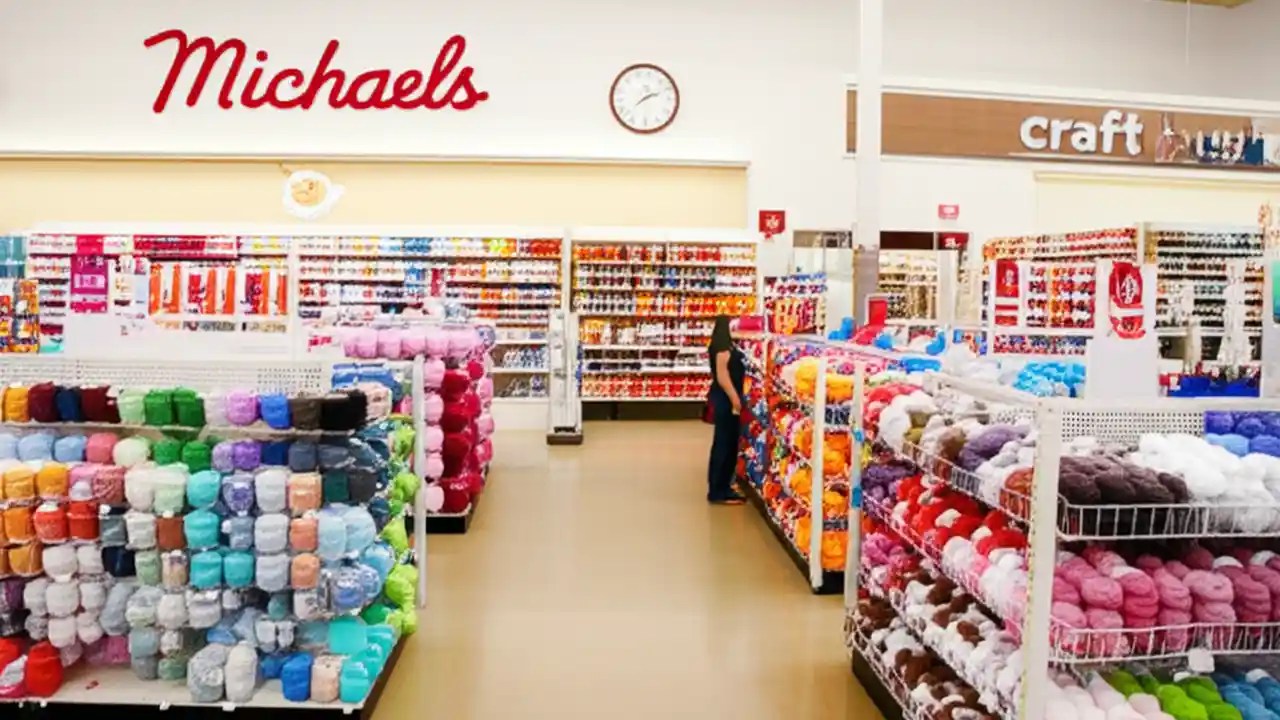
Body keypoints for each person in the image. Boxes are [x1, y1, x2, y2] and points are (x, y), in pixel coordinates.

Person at [706, 315, 746, 505]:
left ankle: (723, 486)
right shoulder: (722, 349)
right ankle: (718, 491)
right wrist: (735, 399)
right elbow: (723, 377)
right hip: (726, 401)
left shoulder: (722, 345)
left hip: (724, 399)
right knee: (725, 444)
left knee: (727, 443)